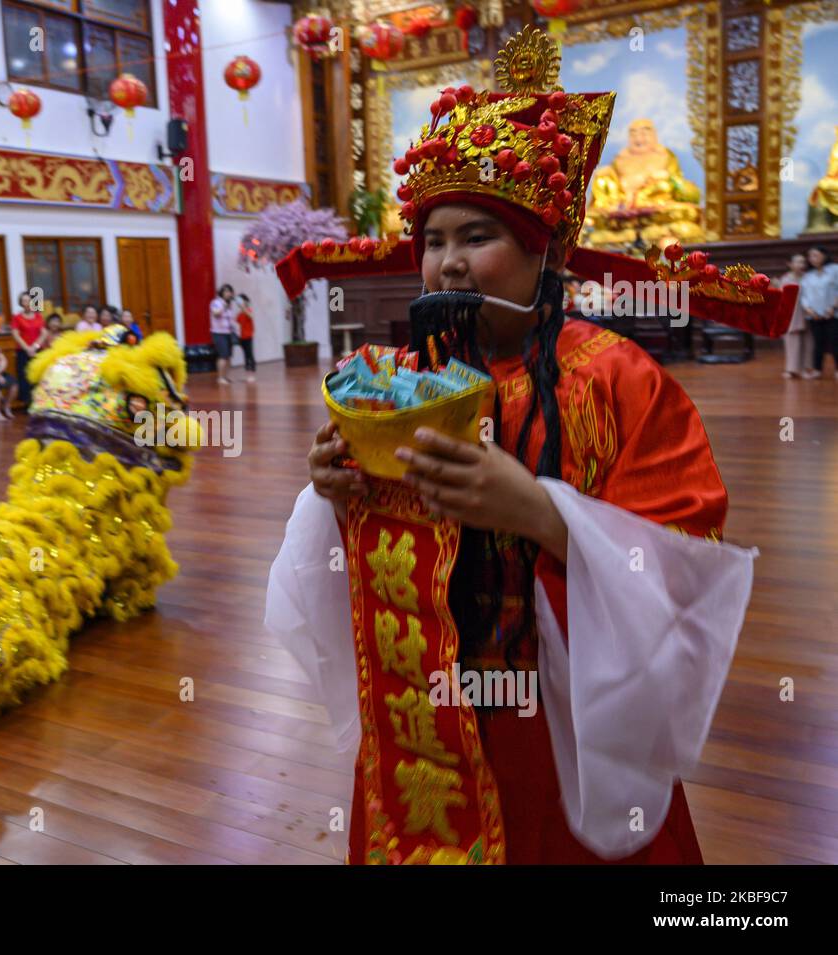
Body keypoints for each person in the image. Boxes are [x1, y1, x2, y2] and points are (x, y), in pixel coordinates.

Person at [265, 28, 797, 866]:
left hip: (559, 717)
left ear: (543, 249)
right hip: (423, 715)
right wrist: (328, 492)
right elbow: (351, 563)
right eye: (433, 241)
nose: (448, 265)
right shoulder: (394, 378)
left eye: (477, 237)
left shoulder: (616, 380)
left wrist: (544, 516)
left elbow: (685, 562)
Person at [800, 246, 838, 378]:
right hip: (814, 315)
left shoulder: (834, 270)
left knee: (835, 342)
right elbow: (804, 296)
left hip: (832, 313)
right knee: (818, 343)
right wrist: (809, 310)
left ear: (824, 255)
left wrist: (833, 307)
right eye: (810, 256)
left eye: (815, 255)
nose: (812, 259)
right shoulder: (807, 276)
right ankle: (817, 370)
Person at [777, 253, 814, 379]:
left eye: (803, 262)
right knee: (792, 341)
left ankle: (807, 368)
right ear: (790, 264)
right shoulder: (785, 279)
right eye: (798, 262)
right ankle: (791, 369)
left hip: (807, 312)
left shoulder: (809, 277)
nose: (801, 265)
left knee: (808, 342)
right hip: (791, 314)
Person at [11, 293, 46, 407]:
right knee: (24, 378)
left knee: (38, 376)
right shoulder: (17, 318)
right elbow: (15, 335)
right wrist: (27, 349)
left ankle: (39, 403)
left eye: (29, 300)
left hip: (37, 351)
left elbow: (44, 333)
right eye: (24, 301)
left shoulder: (38, 316)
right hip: (22, 352)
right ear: (21, 304)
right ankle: (27, 403)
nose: (27, 303)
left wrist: (34, 347)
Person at [209, 284, 237, 385]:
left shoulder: (229, 305)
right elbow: (216, 314)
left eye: (229, 291)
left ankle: (226, 377)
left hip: (229, 333)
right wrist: (224, 306)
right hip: (219, 333)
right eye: (226, 291)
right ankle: (220, 378)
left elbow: (230, 319)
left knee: (229, 356)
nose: (228, 293)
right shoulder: (216, 302)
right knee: (223, 356)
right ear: (221, 293)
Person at [233, 294, 256, 382]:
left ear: (246, 302)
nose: (240, 303)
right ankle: (247, 375)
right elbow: (235, 324)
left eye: (242, 301)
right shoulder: (239, 314)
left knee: (250, 355)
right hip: (241, 337)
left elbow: (251, 316)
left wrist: (243, 308)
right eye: (239, 301)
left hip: (248, 336)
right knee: (246, 356)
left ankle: (252, 374)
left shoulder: (249, 310)